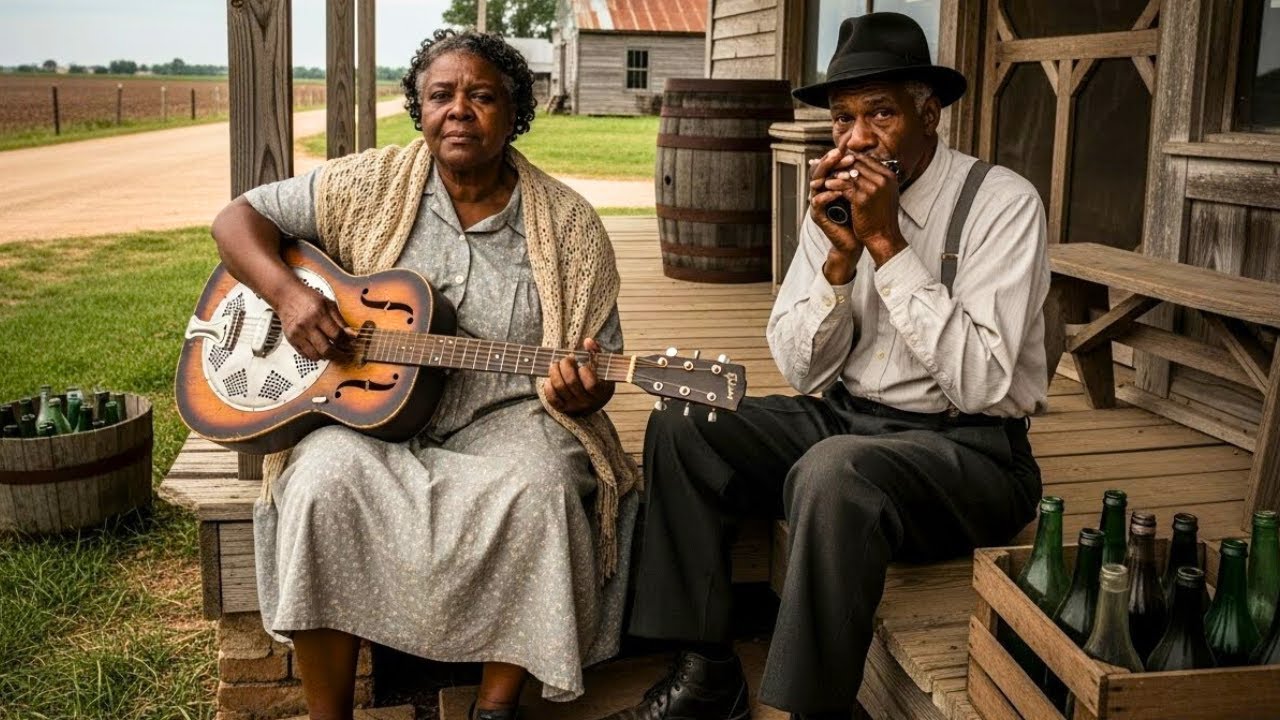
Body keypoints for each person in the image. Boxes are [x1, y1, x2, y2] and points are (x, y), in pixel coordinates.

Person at [598, 12, 1049, 720]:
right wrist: (839, 261)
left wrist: (887, 244)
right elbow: (803, 372)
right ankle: (705, 671)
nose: (858, 138)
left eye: (881, 113)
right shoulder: (830, 210)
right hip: (847, 418)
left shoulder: (1002, 204)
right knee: (686, 421)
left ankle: (813, 709)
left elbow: (985, 382)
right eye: (843, 119)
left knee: (834, 470)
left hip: (972, 451)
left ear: (928, 114)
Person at [209, 29, 641, 720]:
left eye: (482, 96)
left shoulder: (570, 226)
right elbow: (236, 220)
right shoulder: (368, 183)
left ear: (514, 111)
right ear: (420, 108)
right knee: (318, 484)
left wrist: (585, 390)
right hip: (366, 414)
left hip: (508, 418)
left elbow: (600, 362)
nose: (459, 110)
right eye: (441, 95)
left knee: (547, 488)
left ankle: (496, 706)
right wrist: (290, 296)